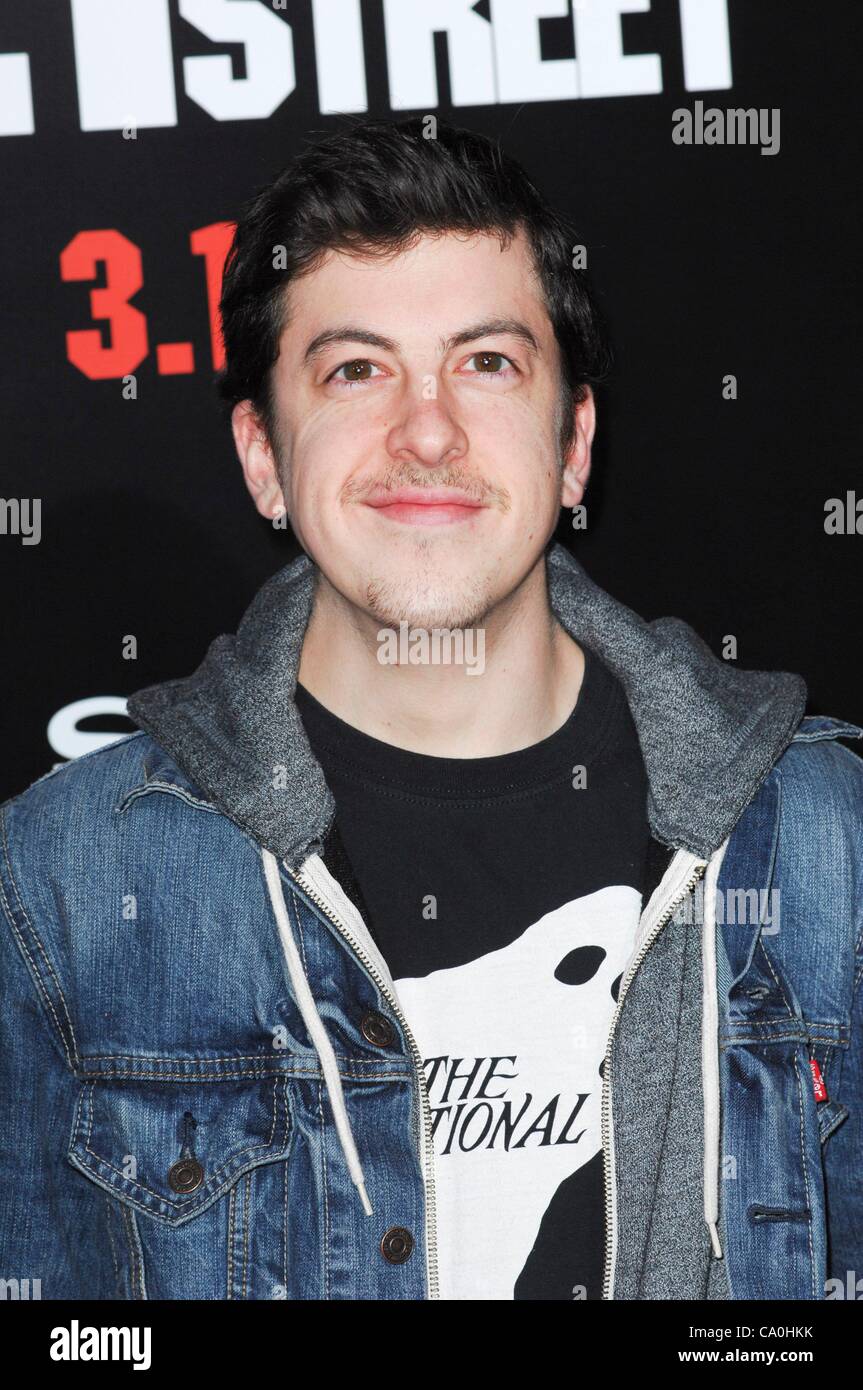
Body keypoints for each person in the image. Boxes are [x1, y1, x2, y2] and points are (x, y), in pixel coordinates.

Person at [1, 116, 861, 1302]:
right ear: (261, 455)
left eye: (486, 363)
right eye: (356, 369)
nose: (425, 431)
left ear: (573, 447)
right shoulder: (60, 883)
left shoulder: (828, 848)